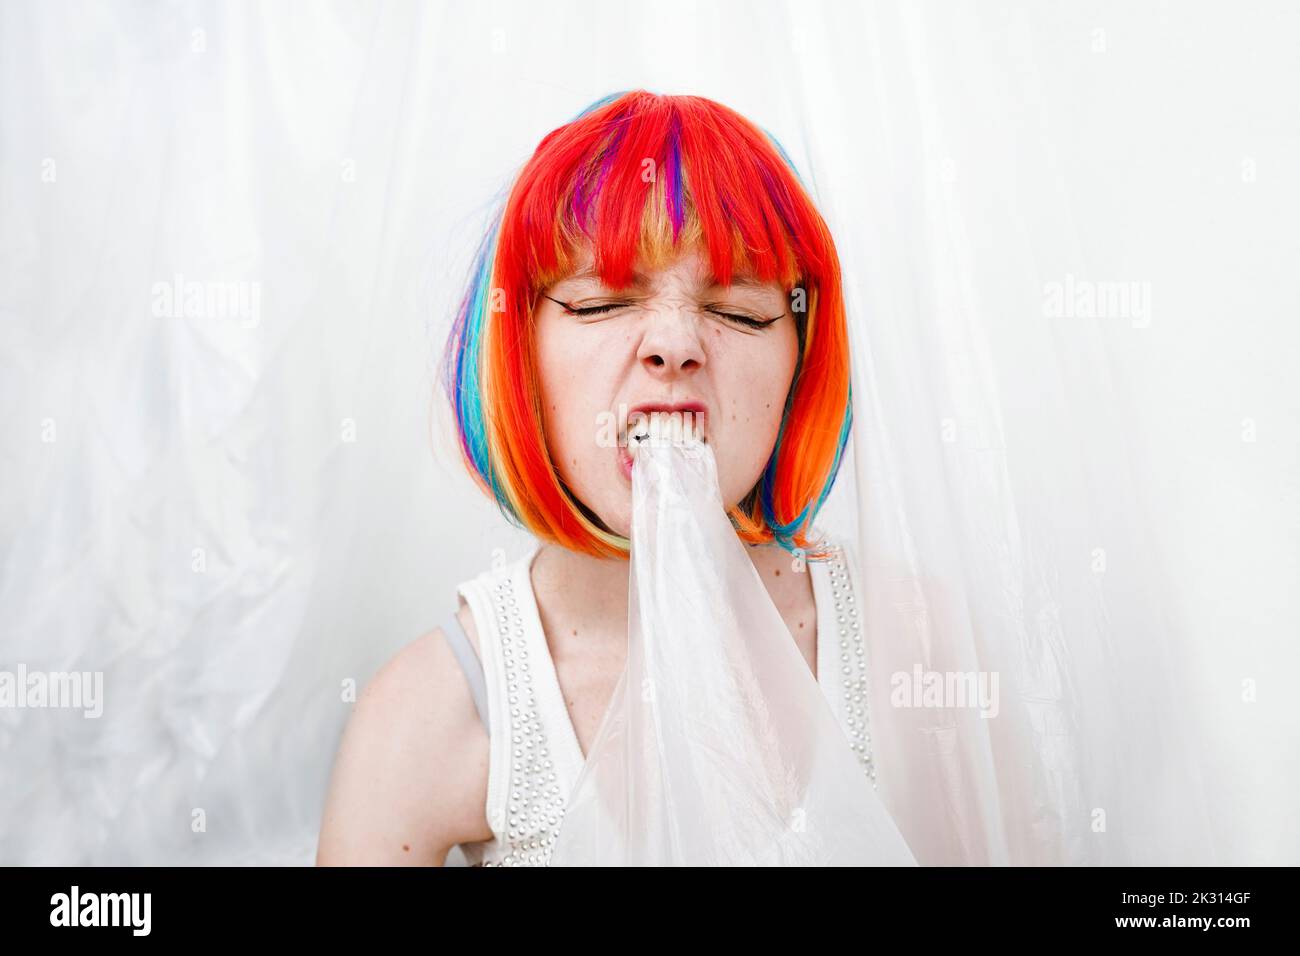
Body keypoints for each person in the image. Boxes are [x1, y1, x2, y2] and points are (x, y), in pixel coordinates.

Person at [317, 90, 871, 866]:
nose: (676, 344)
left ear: (800, 363)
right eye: (599, 301)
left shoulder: (910, 649)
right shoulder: (423, 717)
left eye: (741, 311)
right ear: (521, 356)